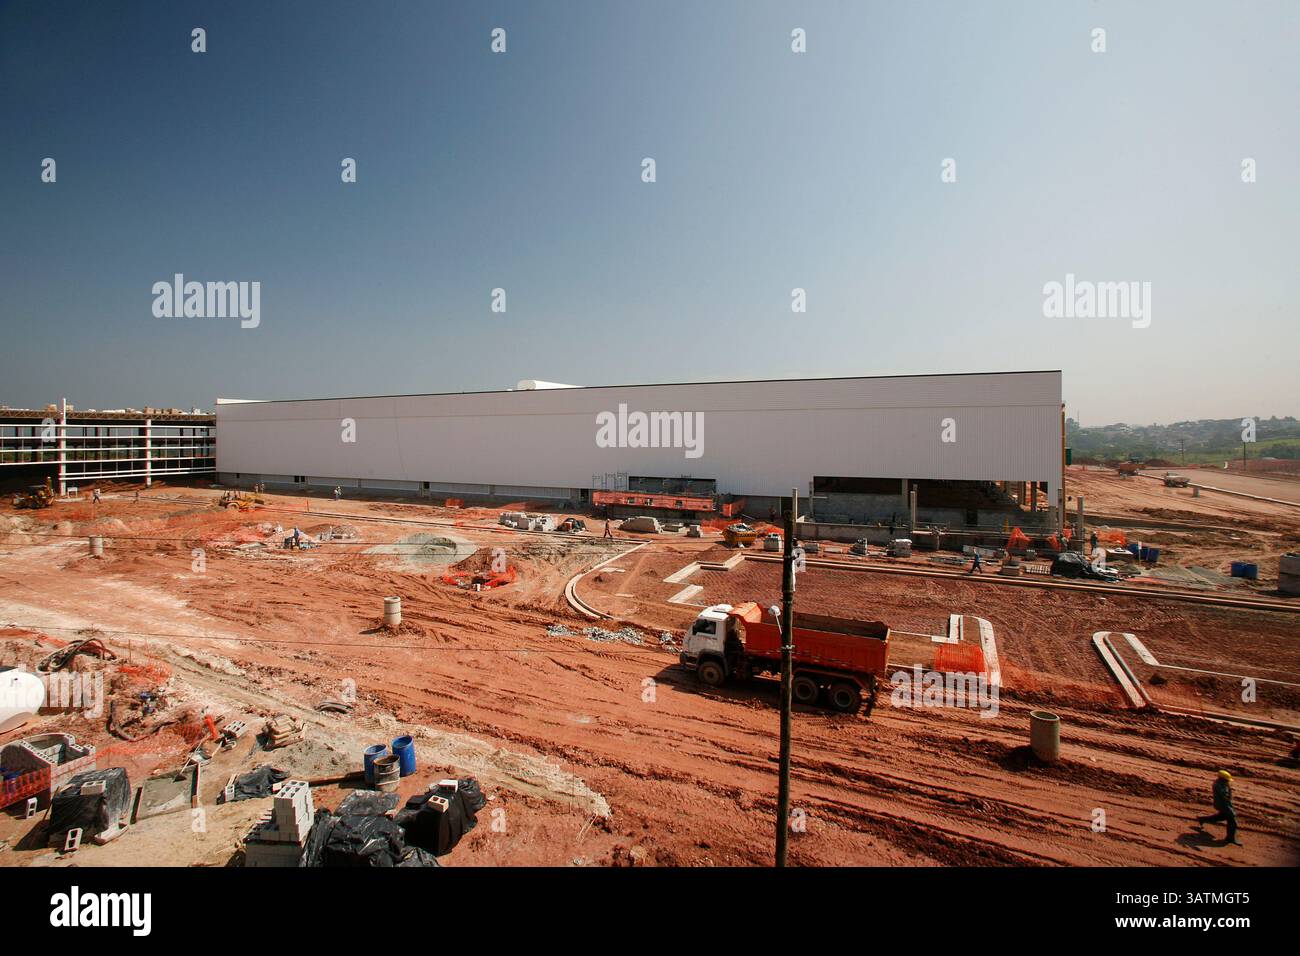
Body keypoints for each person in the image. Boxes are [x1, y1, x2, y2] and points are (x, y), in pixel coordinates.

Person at [1197, 770, 1240, 845]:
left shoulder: (1221, 784)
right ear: (1222, 779)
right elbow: (1225, 798)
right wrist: (1230, 809)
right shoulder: (1218, 786)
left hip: (1223, 805)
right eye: (1226, 780)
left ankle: (1202, 819)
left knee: (1220, 817)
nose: (1228, 782)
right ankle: (1230, 838)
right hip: (1223, 806)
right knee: (1232, 821)